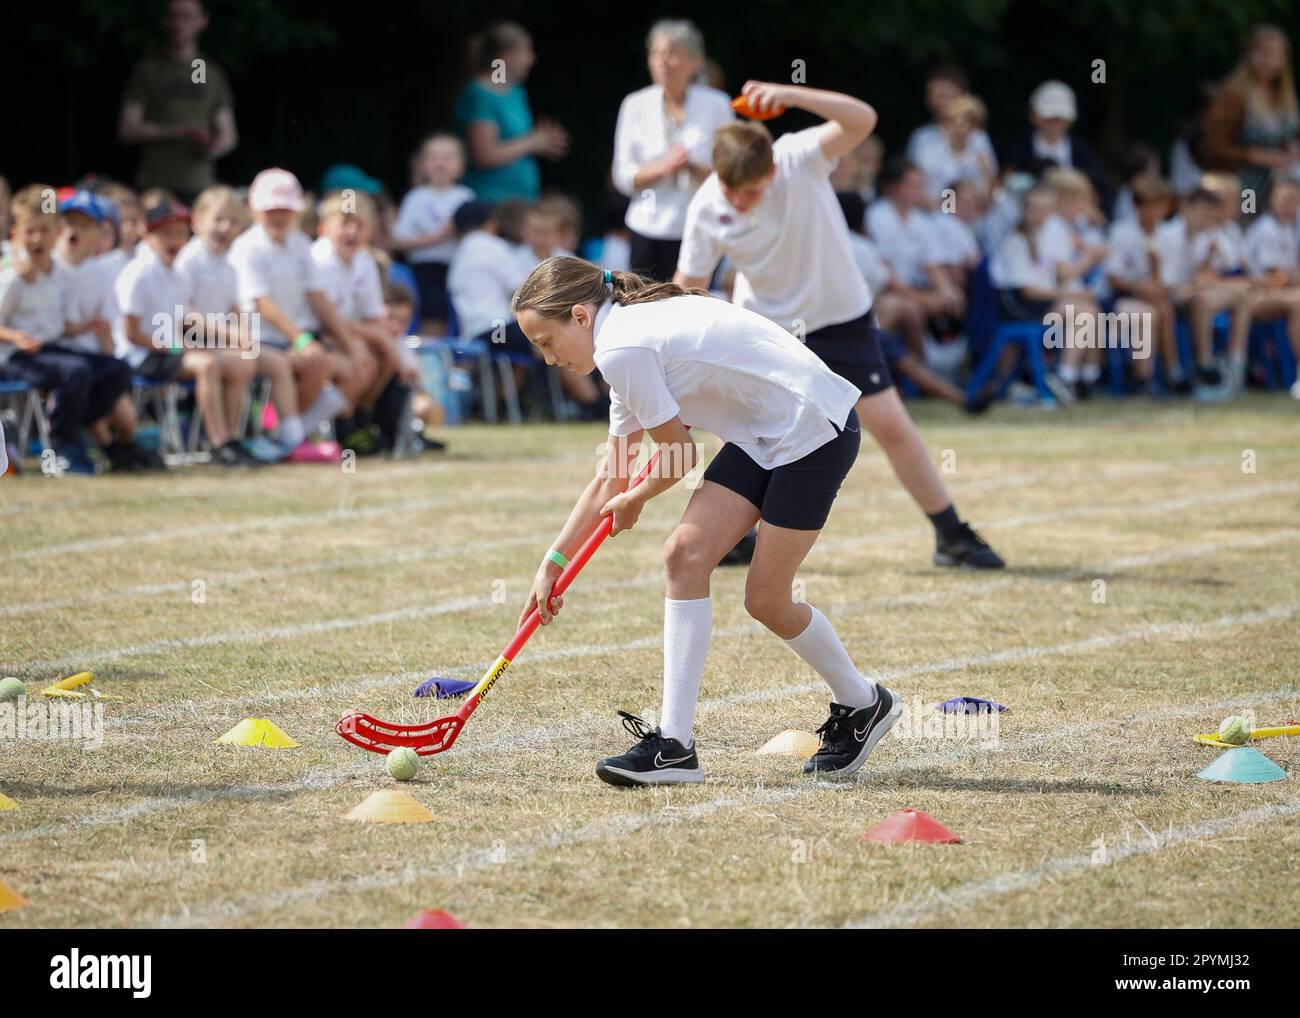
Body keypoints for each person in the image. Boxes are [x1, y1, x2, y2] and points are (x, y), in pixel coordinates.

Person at [512, 259, 902, 785]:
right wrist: (552, 561)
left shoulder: (622, 348)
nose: (549, 358)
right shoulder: (621, 347)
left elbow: (677, 454)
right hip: (760, 434)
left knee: (766, 599)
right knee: (683, 555)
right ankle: (675, 747)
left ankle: (863, 702)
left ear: (580, 316)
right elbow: (610, 476)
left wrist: (639, 498)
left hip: (814, 429)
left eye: (546, 341)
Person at [675, 82, 1004, 569]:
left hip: (838, 316)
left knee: (890, 425)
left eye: (752, 192)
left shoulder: (797, 157)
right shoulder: (707, 206)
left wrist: (788, 96)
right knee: (749, 433)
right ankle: (739, 536)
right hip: (769, 327)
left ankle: (950, 534)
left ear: (772, 170)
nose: (741, 202)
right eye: (732, 192)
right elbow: (690, 288)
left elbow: (862, 119)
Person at [230, 168, 374, 452]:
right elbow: (261, 302)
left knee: (360, 368)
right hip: (260, 340)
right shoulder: (248, 247)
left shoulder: (300, 244)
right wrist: (302, 340)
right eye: (271, 208)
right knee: (316, 363)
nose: (279, 215)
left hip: (295, 338)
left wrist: (350, 345)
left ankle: (289, 433)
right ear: (255, 210)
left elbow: (318, 297)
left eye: (285, 208)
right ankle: (286, 434)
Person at [116, 197, 259, 466]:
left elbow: (181, 321)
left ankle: (232, 439)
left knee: (240, 364)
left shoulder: (176, 274)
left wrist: (185, 345)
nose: (174, 240)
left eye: (180, 233)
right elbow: (131, 335)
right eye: (166, 233)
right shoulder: (138, 273)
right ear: (148, 235)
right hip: (141, 357)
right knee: (207, 365)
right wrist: (175, 347)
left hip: (168, 350)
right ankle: (218, 443)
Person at [0, 185, 132, 474]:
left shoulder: (59, 274)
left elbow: (59, 325)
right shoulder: (13, 276)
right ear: (17, 234)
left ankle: (72, 429)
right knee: (75, 371)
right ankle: (62, 443)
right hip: (17, 357)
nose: (37, 238)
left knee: (117, 370)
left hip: (51, 350)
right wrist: (15, 337)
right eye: (30, 231)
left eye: (44, 230)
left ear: (57, 231)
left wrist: (85, 327)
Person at [176, 184, 304, 454]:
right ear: (197, 222)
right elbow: (184, 315)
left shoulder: (229, 260)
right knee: (226, 365)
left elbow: (234, 308)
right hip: (187, 344)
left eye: (232, 221)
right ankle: (219, 441)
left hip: (220, 343)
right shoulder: (189, 259)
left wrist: (242, 336)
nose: (225, 227)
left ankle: (270, 438)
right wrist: (232, 336)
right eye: (218, 219)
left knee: (270, 362)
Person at [612, 19, 734, 281]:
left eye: (672, 54)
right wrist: (666, 166)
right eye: (656, 53)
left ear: (695, 61)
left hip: (701, 228)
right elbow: (623, 176)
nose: (662, 61)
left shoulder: (717, 104)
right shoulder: (635, 104)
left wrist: (691, 165)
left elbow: (730, 173)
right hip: (646, 229)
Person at [117, 0, 237, 204]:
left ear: (202, 21)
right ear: (164, 21)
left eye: (187, 17)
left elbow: (229, 136)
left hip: (200, 189)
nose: (179, 24)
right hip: (155, 188)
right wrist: (178, 133)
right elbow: (128, 129)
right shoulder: (148, 69)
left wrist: (211, 148)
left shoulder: (210, 72)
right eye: (173, 16)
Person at [454, 22, 568, 203]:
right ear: (506, 56)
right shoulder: (480, 95)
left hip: (522, 201)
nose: (532, 59)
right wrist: (533, 141)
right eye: (527, 52)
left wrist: (542, 140)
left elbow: (518, 142)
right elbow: (484, 155)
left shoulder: (516, 92)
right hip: (490, 202)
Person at [1199, 24, 1300, 207]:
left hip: (1279, 187)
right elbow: (1213, 146)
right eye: (1262, 53)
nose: (1267, 61)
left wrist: (1292, 149)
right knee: (1247, 219)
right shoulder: (1233, 95)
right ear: (1249, 55)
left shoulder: (1285, 98)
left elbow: (1290, 135)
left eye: (1274, 55)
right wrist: (1256, 156)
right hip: (1245, 186)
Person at [1103, 175, 1187, 395]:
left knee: (1157, 309)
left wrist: (1155, 268)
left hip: (1155, 298)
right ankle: (1170, 370)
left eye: (1157, 206)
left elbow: (1168, 282)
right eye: (1145, 206)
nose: (1151, 212)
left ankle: (1144, 376)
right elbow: (1113, 278)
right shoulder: (1121, 232)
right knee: (1158, 310)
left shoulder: (1169, 236)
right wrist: (1140, 287)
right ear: (1136, 207)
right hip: (1121, 299)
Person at [392, 134, 475, 336]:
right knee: (433, 318)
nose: (440, 163)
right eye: (433, 157)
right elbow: (399, 242)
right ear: (421, 164)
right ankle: (432, 361)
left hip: (460, 268)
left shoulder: (465, 196)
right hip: (426, 270)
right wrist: (440, 236)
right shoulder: (416, 197)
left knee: (462, 317)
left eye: (448, 157)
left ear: (461, 166)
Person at [1002, 80, 1113, 211]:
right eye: (1049, 118)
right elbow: (1006, 186)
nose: (1055, 124)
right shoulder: (1018, 149)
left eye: (1060, 119)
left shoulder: (1083, 153)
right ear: (1034, 117)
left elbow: (1101, 194)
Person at [1241, 176, 1300, 398]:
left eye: (1294, 200)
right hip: (1254, 296)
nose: (1289, 206)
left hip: (1281, 292)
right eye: (1284, 200)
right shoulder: (1266, 228)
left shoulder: (1294, 225)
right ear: (1271, 202)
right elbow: (1274, 277)